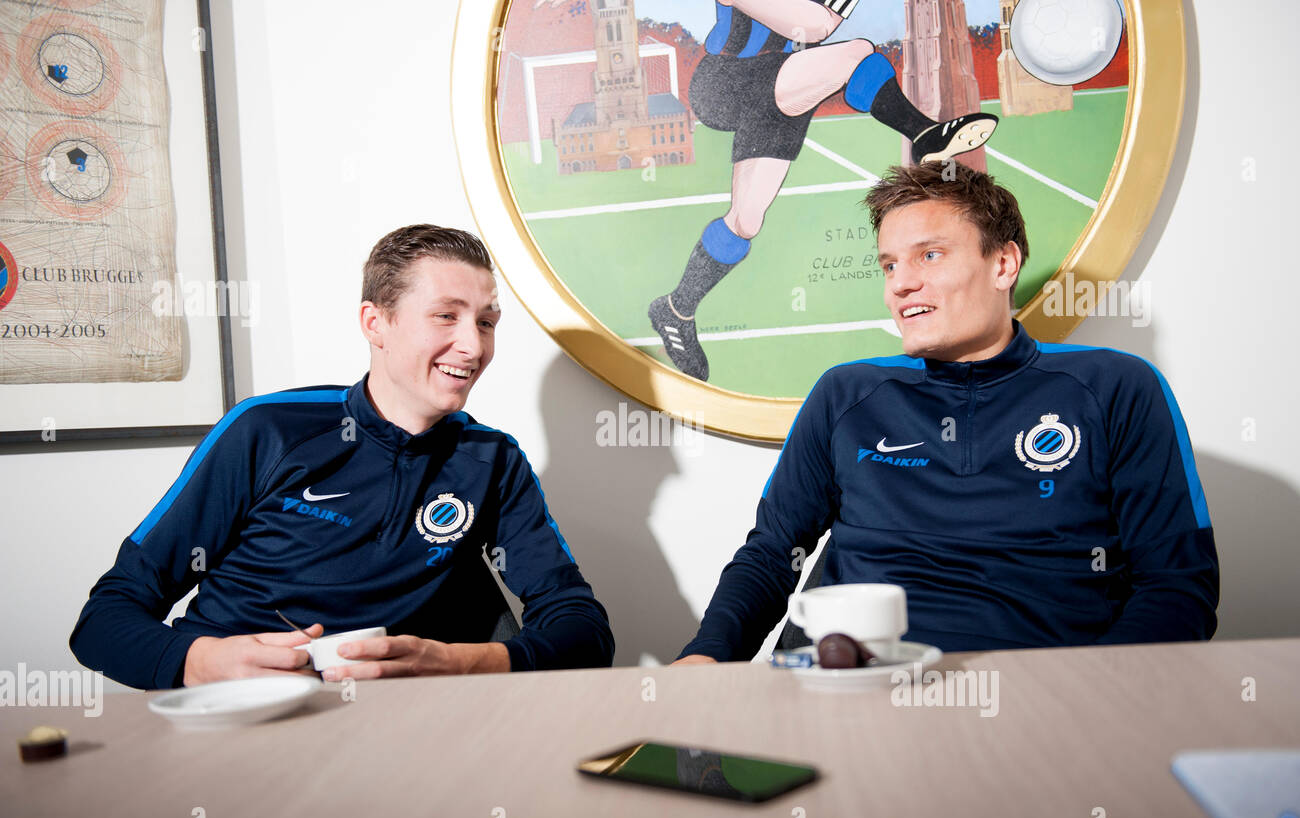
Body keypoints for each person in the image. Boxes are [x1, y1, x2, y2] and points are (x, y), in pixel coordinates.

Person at [675, 161, 1218, 663]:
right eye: (889, 264)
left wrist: (1090, 694)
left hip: (1050, 700)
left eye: (929, 256)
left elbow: (1177, 587)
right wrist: (707, 655)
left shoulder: (1115, 387)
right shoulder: (846, 395)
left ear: (1003, 262)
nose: (900, 283)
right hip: (863, 698)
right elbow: (771, 555)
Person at [71, 224, 614, 689]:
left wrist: (456, 661)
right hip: (228, 723)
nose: (474, 346)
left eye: (486, 322)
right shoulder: (267, 429)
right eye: (446, 317)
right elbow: (104, 619)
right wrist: (199, 662)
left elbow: (582, 629)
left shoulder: (490, 461)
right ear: (375, 323)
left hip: (389, 739)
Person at [649, 0, 998, 380]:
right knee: (858, 53)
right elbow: (812, 26)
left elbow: (822, 24)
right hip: (727, 84)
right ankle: (923, 133)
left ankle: (675, 309)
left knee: (744, 222)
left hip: (782, 95)